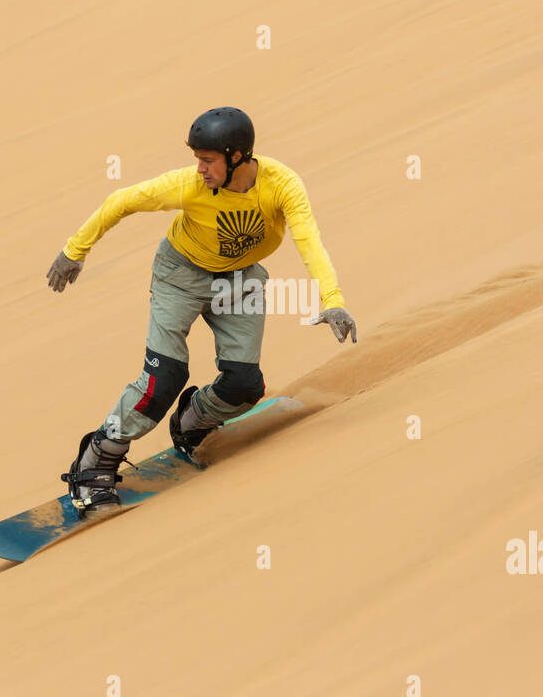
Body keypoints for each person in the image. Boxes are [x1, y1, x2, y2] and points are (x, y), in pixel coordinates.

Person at [47, 107, 357, 516]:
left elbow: (309, 241)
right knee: (163, 379)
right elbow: (121, 202)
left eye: (208, 160)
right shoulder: (188, 185)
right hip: (180, 276)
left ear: (238, 158)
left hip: (239, 281)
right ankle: (97, 457)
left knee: (245, 385)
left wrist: (332, 300)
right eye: (197, 159)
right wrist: (75, 250)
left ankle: (192, 422)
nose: (200, 169)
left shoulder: (282, 186)